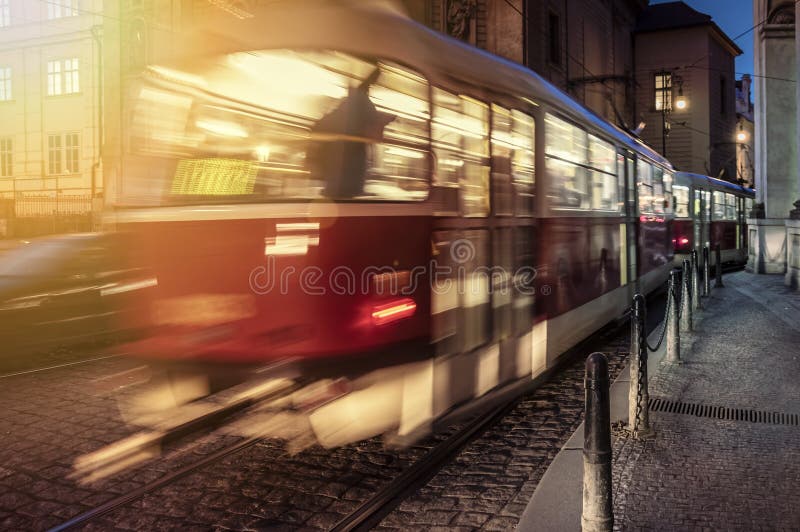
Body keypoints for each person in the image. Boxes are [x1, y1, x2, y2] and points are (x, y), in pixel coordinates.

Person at [307, 68, 394, 199]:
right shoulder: (361, 104)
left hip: (338, 180)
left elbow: (318, 127)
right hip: (345, 181)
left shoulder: (349, 105)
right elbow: (375, 132)